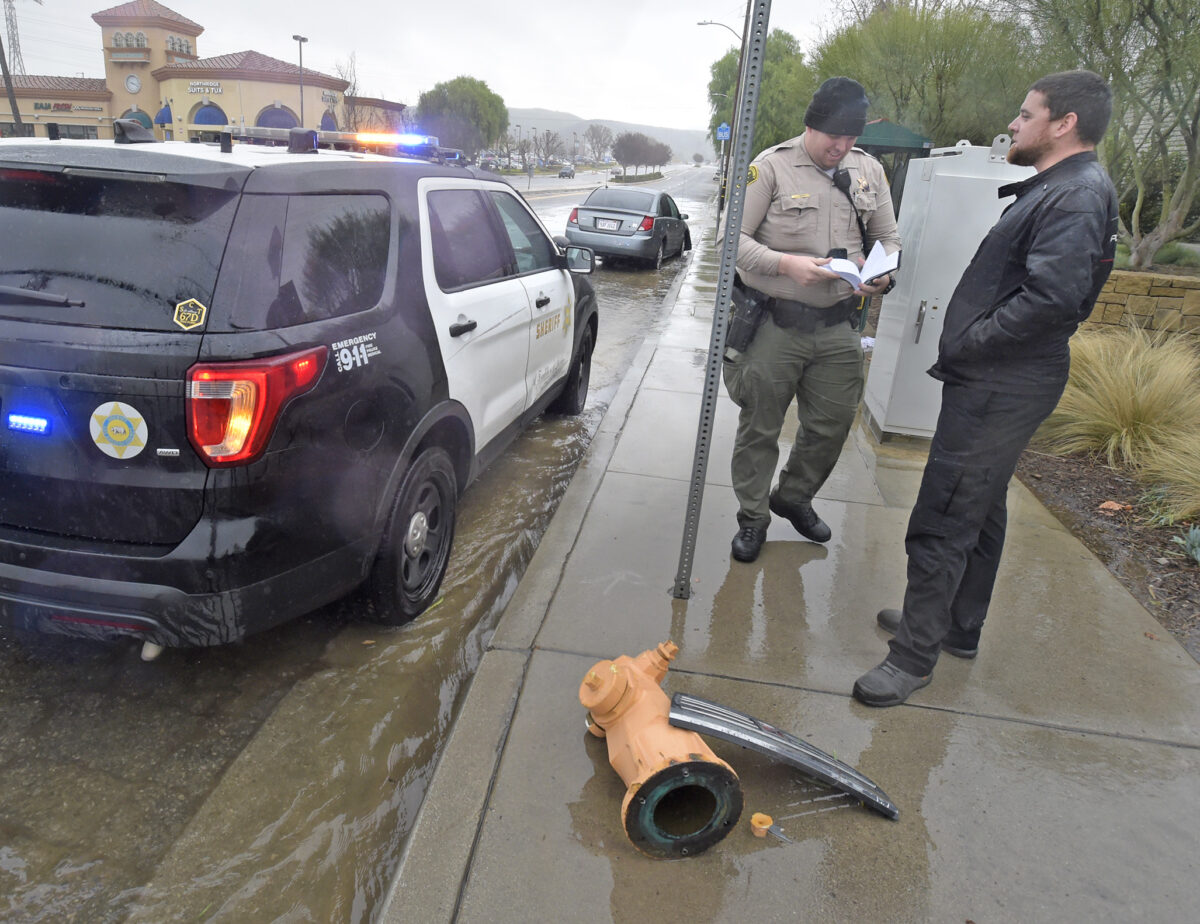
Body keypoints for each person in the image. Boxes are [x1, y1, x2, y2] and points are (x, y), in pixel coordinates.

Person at [853, 70, 1120, 707]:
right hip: (1004, 378)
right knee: (983, 503)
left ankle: (912, 657)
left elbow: (1053, 299)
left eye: (1027, 115)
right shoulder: (1063, 187)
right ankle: (957, 625)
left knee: (944, 514)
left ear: (1065, 124)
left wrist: (971, 342)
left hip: (1002, 381)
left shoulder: (1075, 195)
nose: (1013, 124)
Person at [724, 77, 901, 562]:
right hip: (774, 324)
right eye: (832, 137)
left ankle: (793, 496)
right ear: (811, 126)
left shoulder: (869, 171)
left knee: (832, 424)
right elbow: (731, 241)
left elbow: (889, 238)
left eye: (851, 137)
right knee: (760, 427)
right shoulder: (770, 167)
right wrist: (786, 264)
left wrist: (881, 274)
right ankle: (753, 519)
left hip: (838, 325)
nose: (840, 147)